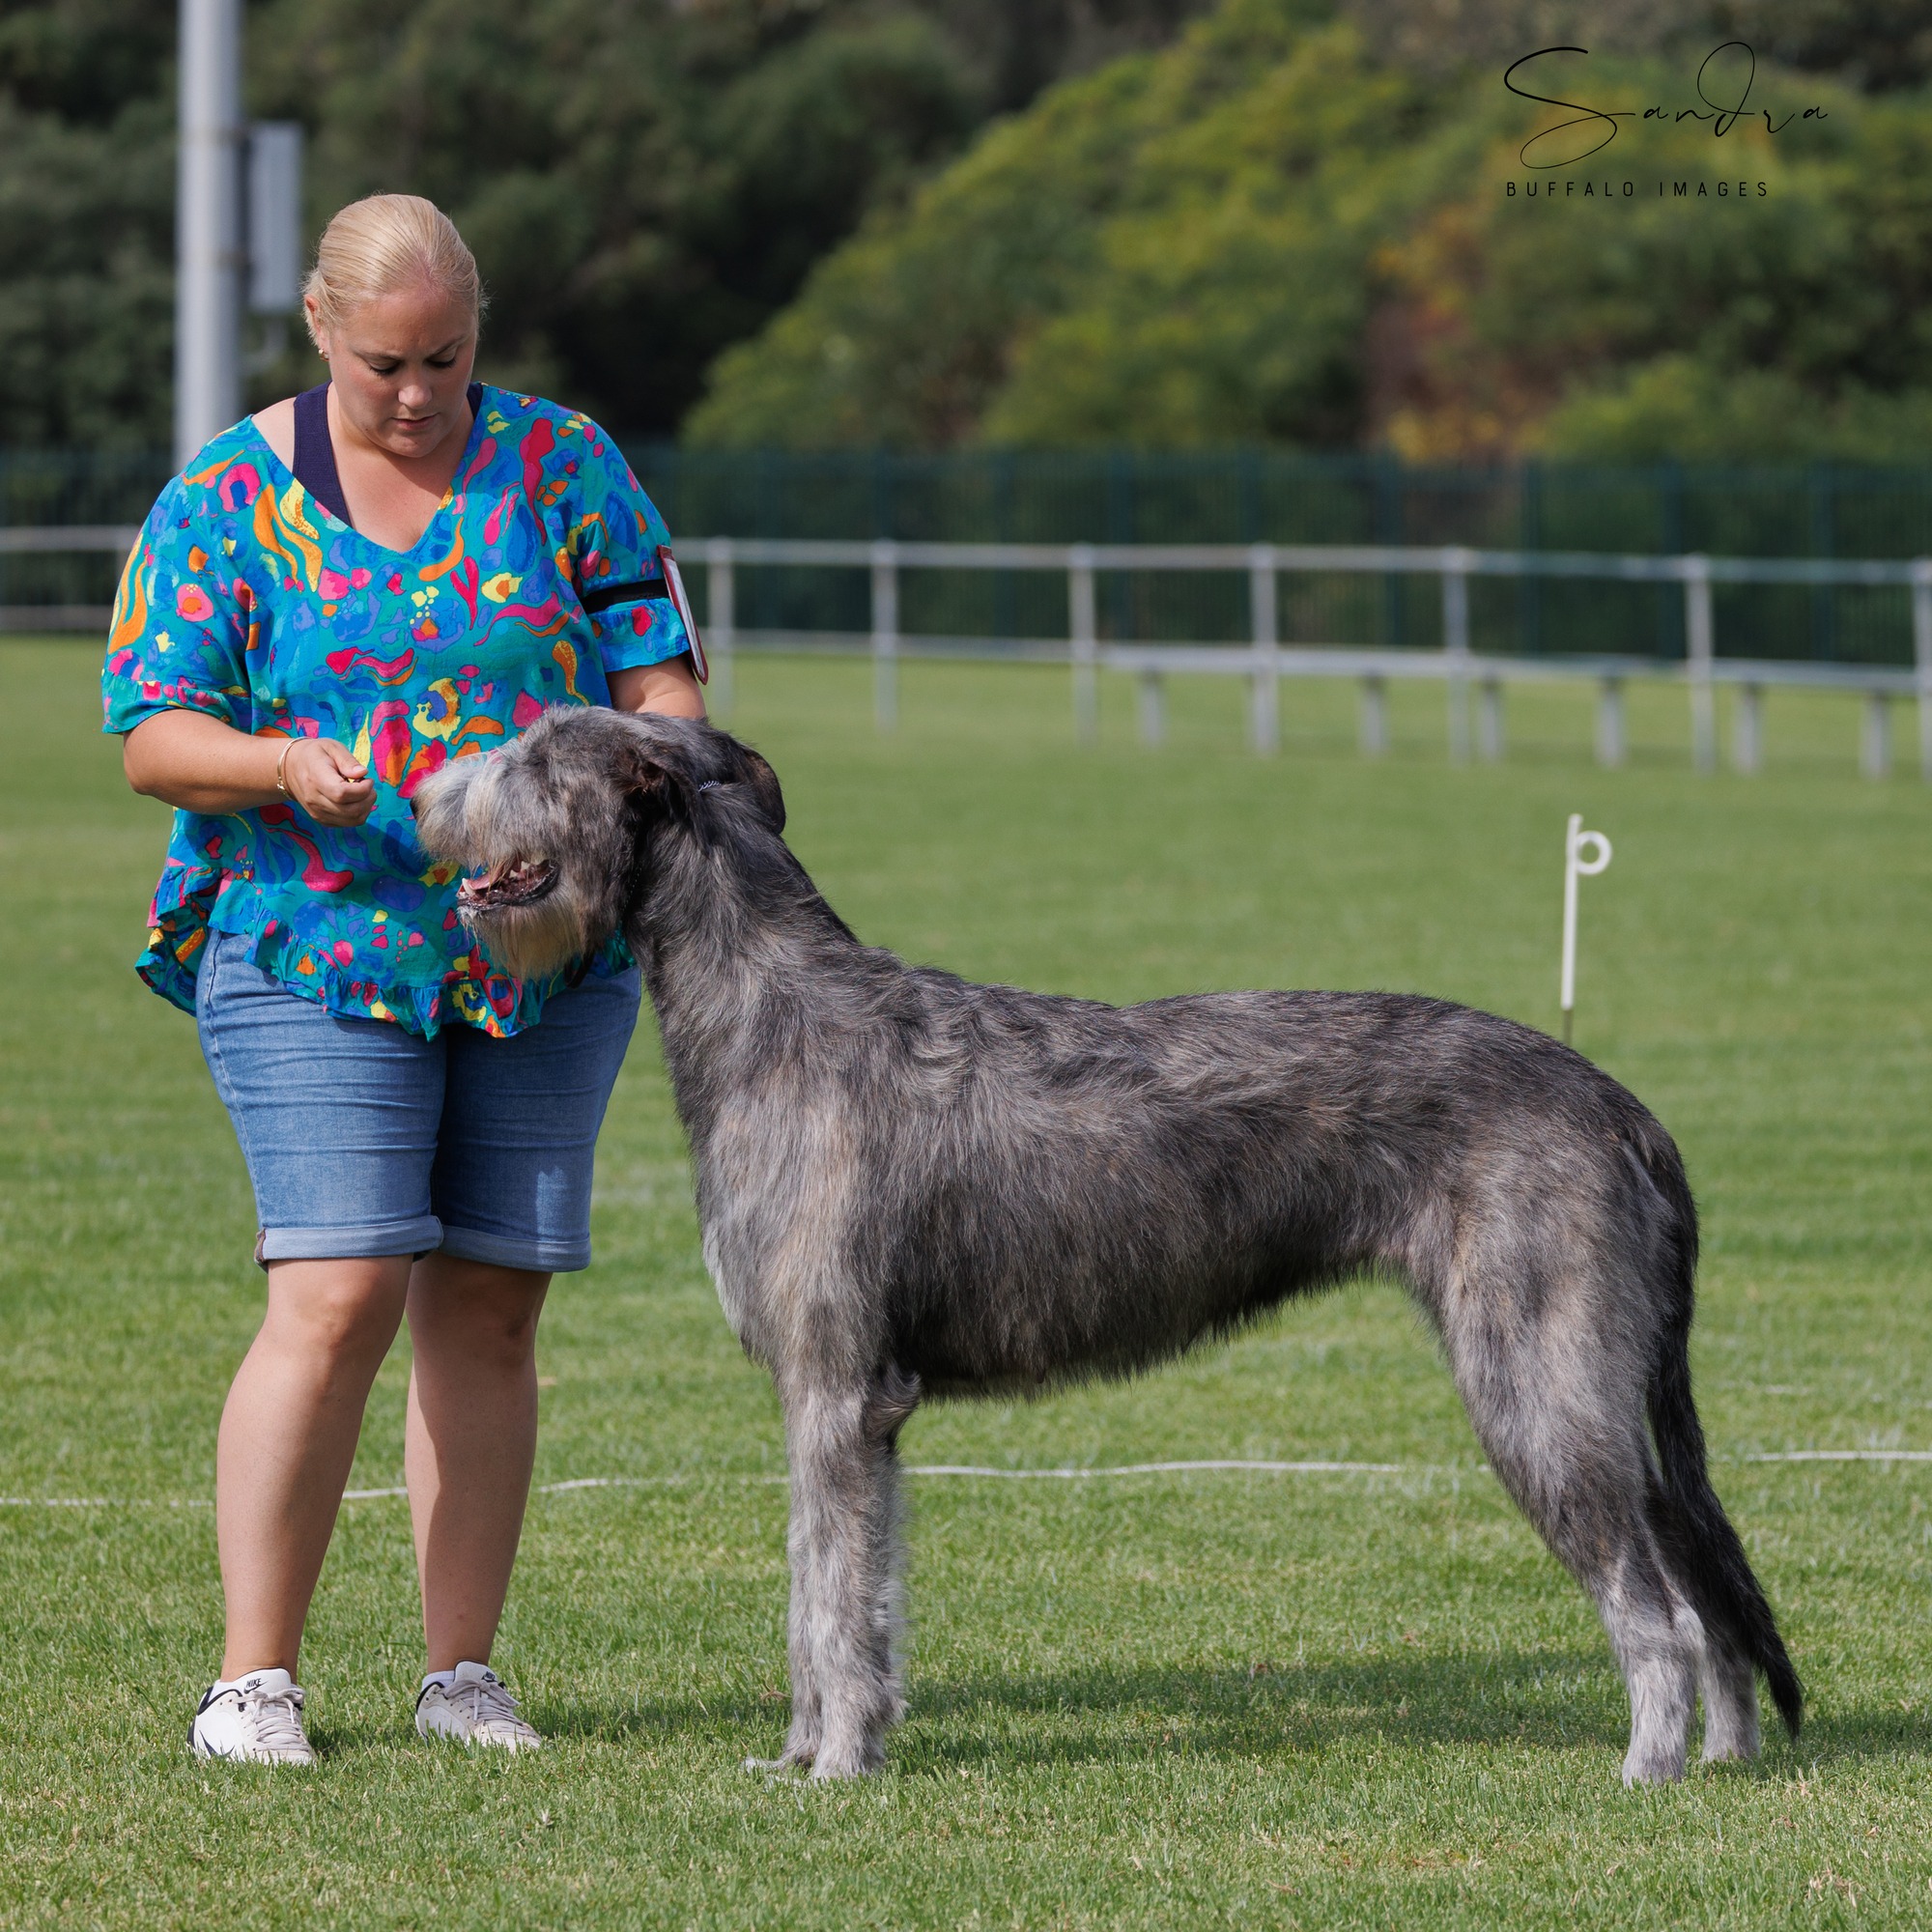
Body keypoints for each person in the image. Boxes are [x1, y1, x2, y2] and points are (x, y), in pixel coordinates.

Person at [101, 194, 704, 1766]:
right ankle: (253, 1685)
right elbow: (152, 734)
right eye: (386, 364)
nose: (420, 394)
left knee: (493, 1305)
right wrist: (272, 760)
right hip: (311, 941)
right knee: (342, 1284)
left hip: (541, 960)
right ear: (320, 331)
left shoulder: (567, 467)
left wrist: (656, 756)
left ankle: (461, 1678)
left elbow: (657, 670)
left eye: (447, 358)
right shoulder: (227, 498)